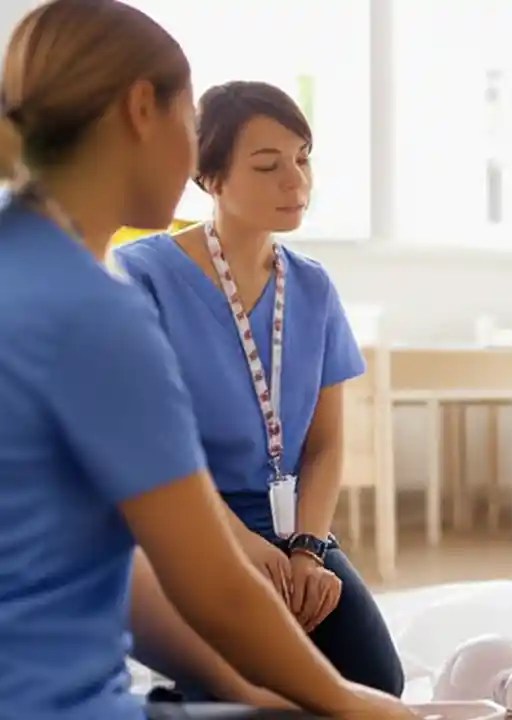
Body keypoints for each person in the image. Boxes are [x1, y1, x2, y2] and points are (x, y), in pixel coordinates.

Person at [0, 1, 415, 718]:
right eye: (189, 121)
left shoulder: (27, 268)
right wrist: (343, 705)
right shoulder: (102, 302)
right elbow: (212, 586)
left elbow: (115, 567)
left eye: (302, 160)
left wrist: (251, 685)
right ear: (141, 110)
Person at [112, 80, 404, 699]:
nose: (295, 183)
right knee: (251, 691)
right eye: (268, 165)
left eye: (302, 158)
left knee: (377, 684)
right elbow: (148, 452)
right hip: (188, 527)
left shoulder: (314, 288)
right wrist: (240, 545)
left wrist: (307, 550)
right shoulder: (143, 277)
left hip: (290, 531)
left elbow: (324, 446)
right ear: (208, 176)